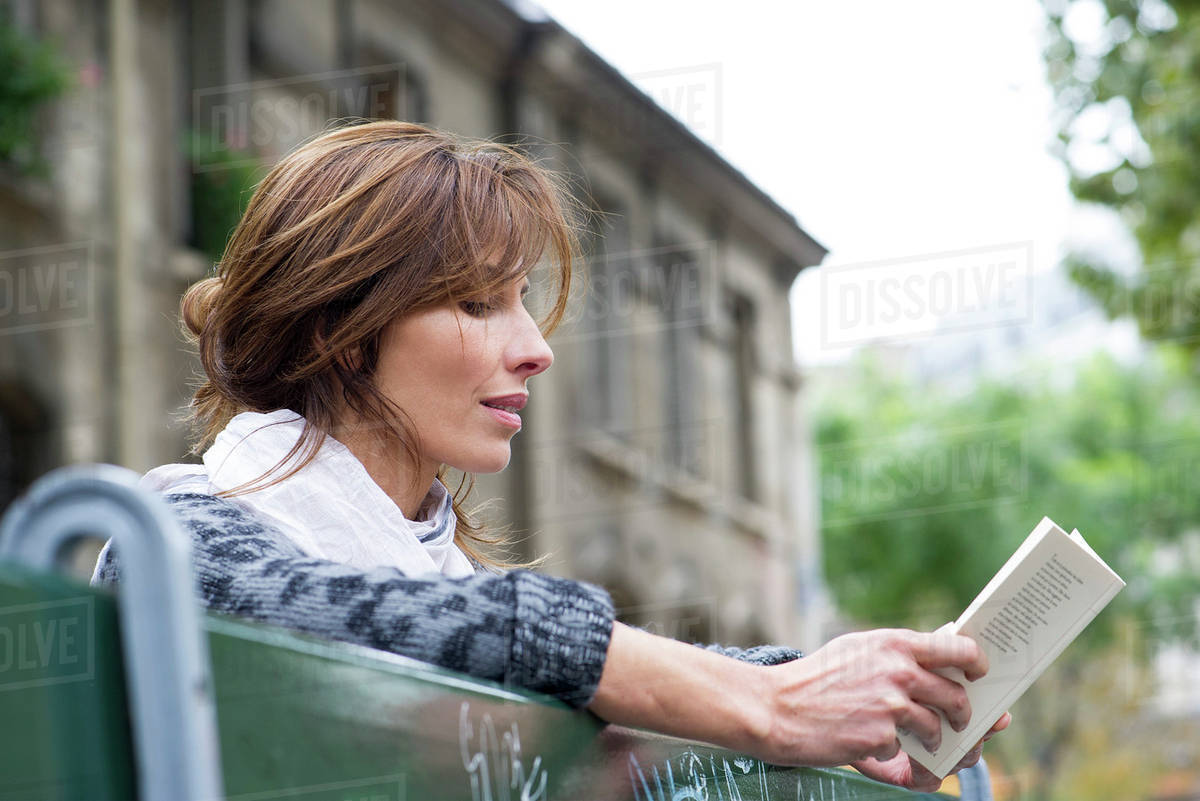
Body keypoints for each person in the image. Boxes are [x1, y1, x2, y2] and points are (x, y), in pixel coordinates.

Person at [90, 120, 1008, 792]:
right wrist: (772, 704)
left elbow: (481, 634)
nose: (537, 346)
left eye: (522, 298)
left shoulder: (428, 570)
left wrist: (852, 706)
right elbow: (445, 624)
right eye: (479, 304)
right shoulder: (182, 540)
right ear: (340, 329)